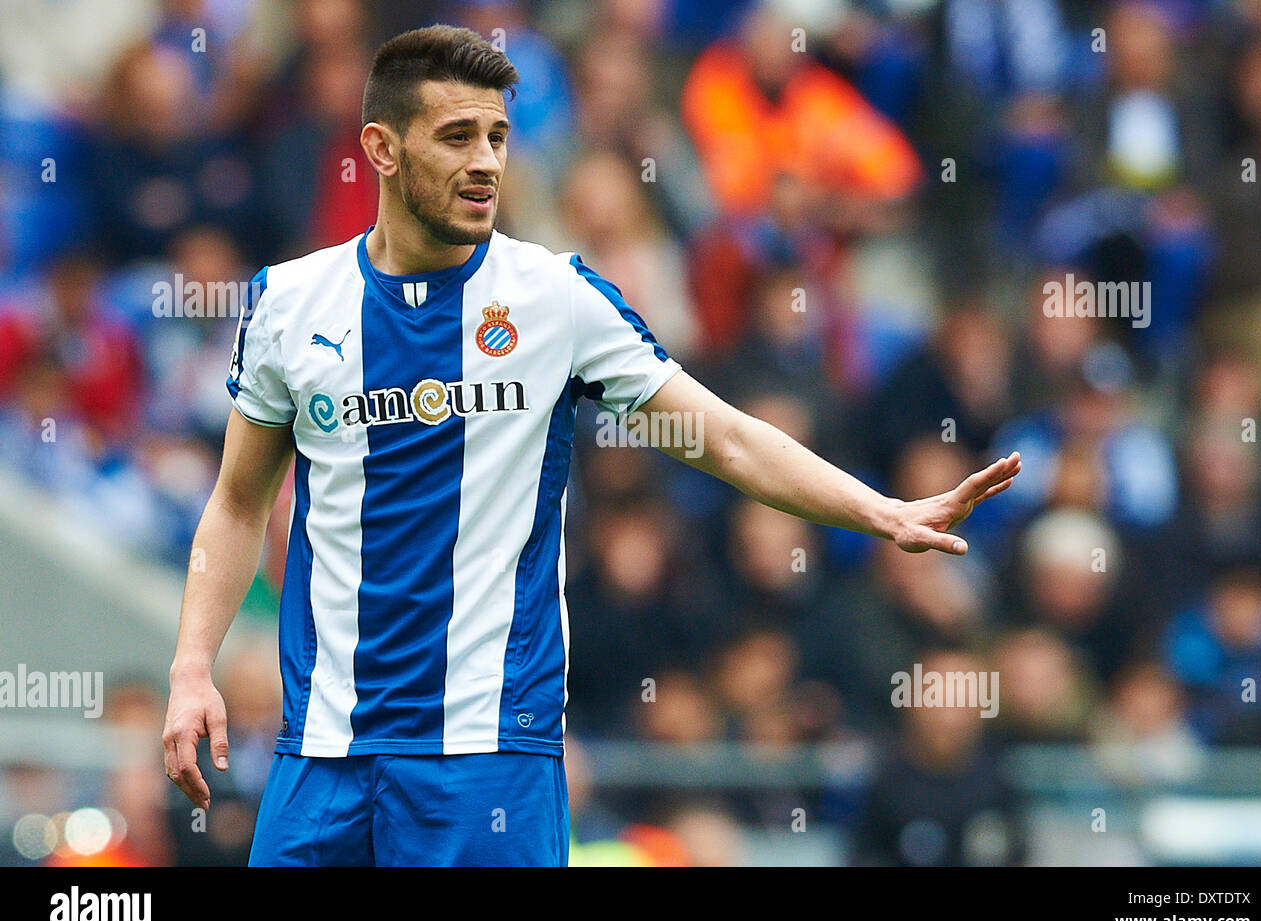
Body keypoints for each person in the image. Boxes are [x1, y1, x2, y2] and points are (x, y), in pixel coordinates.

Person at [161, 24, 1021, 867]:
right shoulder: (288, 303)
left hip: (490, 755)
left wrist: (882, 511)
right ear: (381, 149)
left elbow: (721, 435)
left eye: (498, 135)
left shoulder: (553, 298)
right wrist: (193, 665)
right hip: (321, 753)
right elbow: (238, 502)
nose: (488, 161)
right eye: (457, 136)